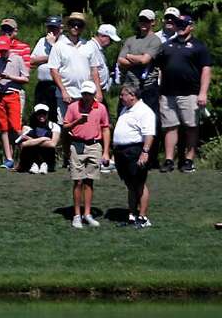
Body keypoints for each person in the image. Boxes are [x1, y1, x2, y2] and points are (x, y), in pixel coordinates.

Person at [153, 14, 212, 173]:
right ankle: (169, 160)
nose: (180, 27)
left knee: (191, 126)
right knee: (169, 127)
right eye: (178, 24)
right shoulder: (167, 46)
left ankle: (188, 160)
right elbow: (159, 67)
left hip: (190, 93)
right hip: (167, 93)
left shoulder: (199, 46)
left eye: (183, 25)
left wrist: (203, 93)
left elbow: (206, 70)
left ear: (191, 27)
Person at [64, 81, 111, 229]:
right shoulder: (73, 107)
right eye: (84, 94)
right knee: (78, 181)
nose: (86, 97)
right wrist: (78, 121)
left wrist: (106, 152)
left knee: (90, 181)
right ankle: (77, 215)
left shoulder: (100, 108)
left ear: (94, 94)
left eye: (89, 94)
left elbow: (105, 128)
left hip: (94, 145)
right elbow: (65, 126)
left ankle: (87, 213)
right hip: (77, 144)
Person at [112, 83, 157, 228]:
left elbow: (149, 134)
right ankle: (132, 215)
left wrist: (145, 152)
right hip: (121, 152)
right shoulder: (125, 109)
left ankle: (143, 217)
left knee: (139, 183)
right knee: (130, 184)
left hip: (135, 150)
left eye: (123, 94)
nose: (120, 97)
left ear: (133, 96)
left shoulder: (144, 111)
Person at [0, 37, 28, 169]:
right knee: (3, 128)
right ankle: (9, 158)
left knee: (16, 127)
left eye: (5, 50)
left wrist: (10, 77)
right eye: (1, 51)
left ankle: (26, 156)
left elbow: (25, 78)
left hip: (12, 95)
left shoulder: (17, 59)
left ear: (9, 48)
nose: (2, 53)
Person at [116, 10, 162, 119]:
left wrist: (129, 56)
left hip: (147, 87)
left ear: (153, 22)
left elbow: (144, 60)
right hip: (129, 85)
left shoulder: (155, 40)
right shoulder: (130, 40)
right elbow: (120, 61)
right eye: (141, 20)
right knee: (124, 117)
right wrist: (139, 59)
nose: (143, 23)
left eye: (147, 21)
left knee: (149, 118)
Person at [31, 16, 66, 121]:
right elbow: (32, 61)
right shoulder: (42, 41)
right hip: (43, 85)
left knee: (55, 113)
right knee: (40, 113)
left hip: (57, 84)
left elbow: (64, 60)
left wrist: (53, 45)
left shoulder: (65, 42)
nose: (52, 31)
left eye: (55, 28)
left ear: (61, 29)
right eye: (50, 28)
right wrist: (49, 57)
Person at [13, 104, 60, 174]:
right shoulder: (27, 127)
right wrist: (43, 139)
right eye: (39, 113)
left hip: (48, 157)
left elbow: (53, 144)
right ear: (35, 114)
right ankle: (34, 164)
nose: (41, 116)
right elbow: (23, 144)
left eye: (44, 113)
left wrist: (31, 140)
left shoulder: (54, 126)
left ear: (47, 114)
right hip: (31, 158)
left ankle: (43, 164)